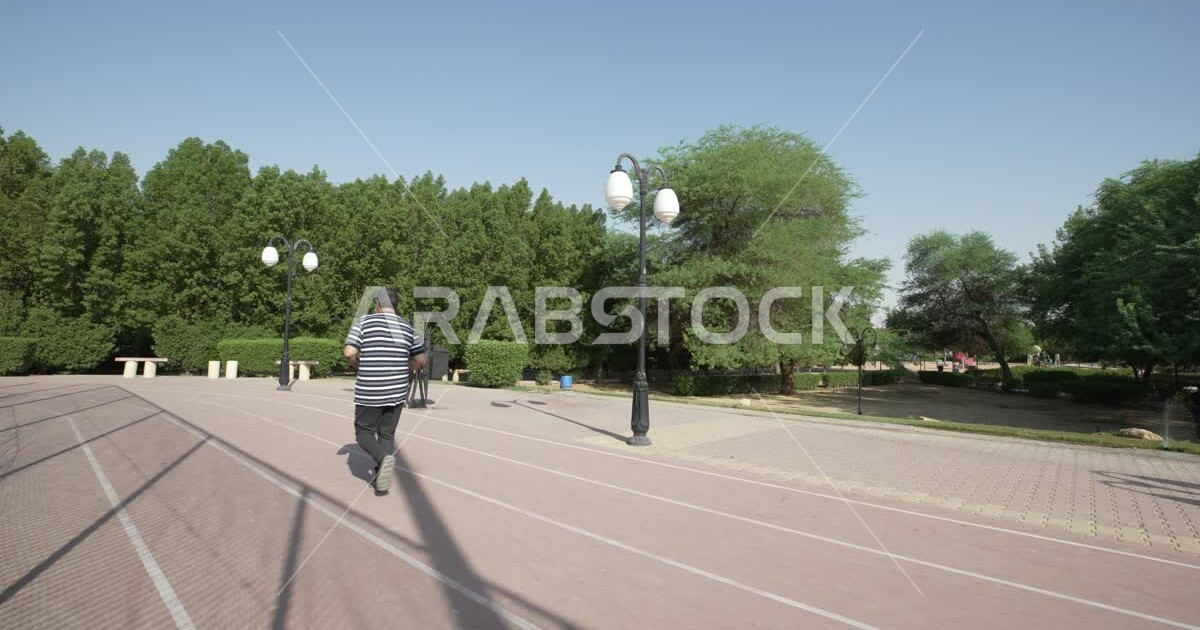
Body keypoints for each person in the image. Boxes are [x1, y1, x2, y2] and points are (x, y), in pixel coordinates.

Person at [343, 287, 427, 494]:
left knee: (363, 432)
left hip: (370, 389)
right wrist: (407, 368)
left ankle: (383, 458)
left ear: (378, 305)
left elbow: (349, 352)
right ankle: (381, 481)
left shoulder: (364, 322)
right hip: (398, 390)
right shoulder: (408, 328)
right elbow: (421, 359)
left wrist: (356, 364)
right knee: (387, 434)